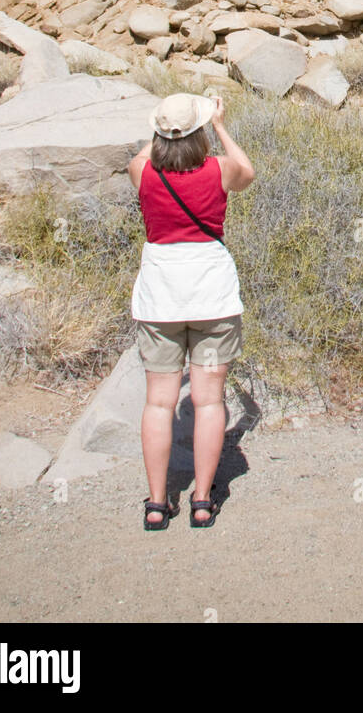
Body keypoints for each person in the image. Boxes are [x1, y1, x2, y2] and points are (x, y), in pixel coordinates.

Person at [127, 92, 255, 530]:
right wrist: (219, 124)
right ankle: (202, 500)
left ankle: (158, 503)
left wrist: (166, 128)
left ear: (159, 134)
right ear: (201, 132)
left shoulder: (142, 172)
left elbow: (147, 153)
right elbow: (248, 172)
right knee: (208, 401)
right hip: (212, 298)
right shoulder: (218, 170)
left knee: (159, 403)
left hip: (159, 298)